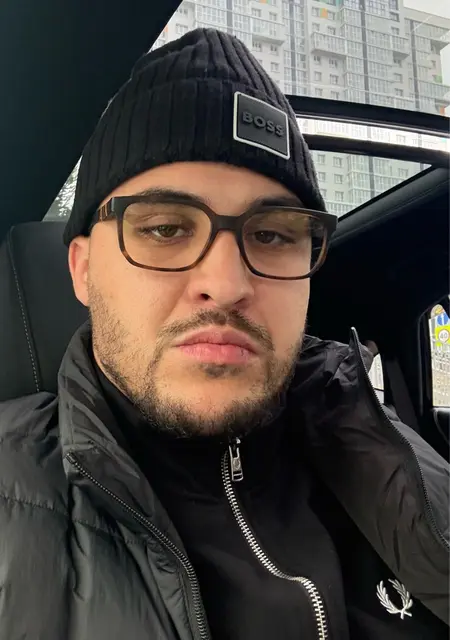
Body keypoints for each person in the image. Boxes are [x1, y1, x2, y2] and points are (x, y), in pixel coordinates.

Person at [0, 28, 448, 640]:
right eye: (164, 228)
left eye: (272, 235)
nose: (227, 283)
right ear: (82, 269)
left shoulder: (396, 451)